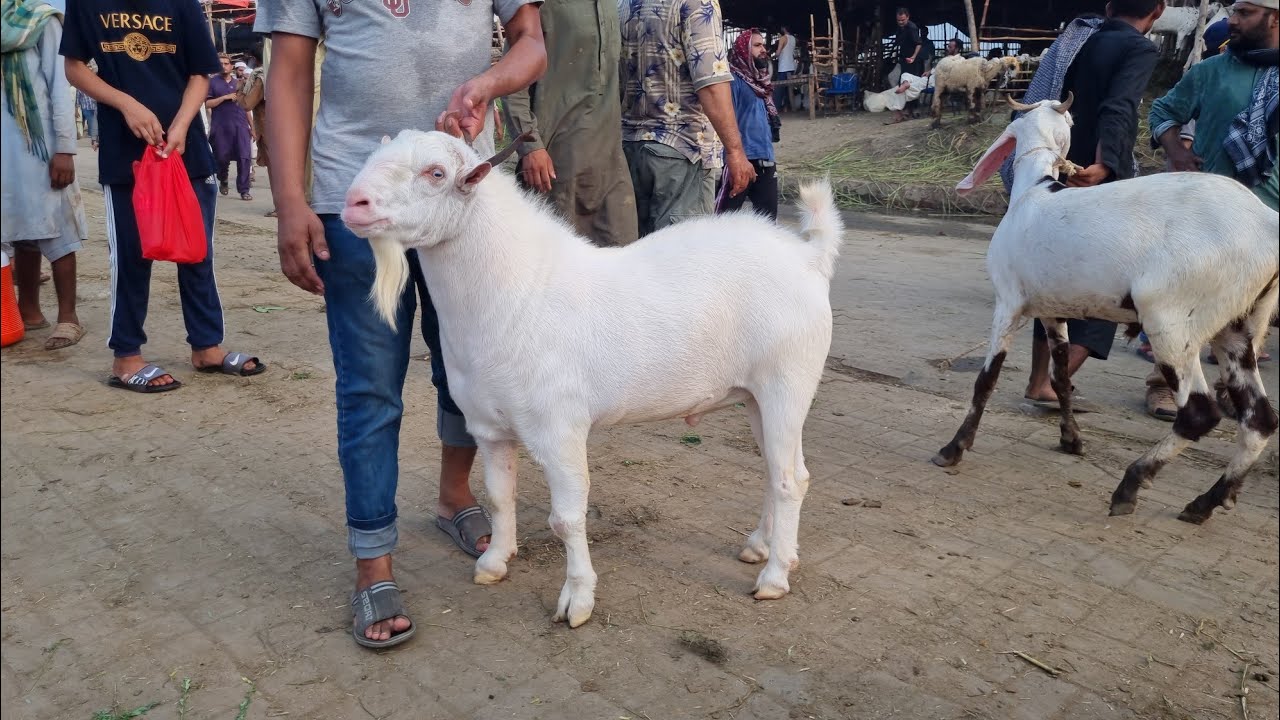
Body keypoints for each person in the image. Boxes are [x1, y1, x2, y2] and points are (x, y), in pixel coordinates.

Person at [255, 0, 546, 649]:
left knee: (467, 372)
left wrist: (488, 83)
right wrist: (290, 200)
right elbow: (290, 70)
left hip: (457, 202)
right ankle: (373, 563)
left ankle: (454, 496)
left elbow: (531, 38)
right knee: (370, 385)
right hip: (359, 201)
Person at [61, 0, 267, 391]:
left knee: (197, 251)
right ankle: (126, 355)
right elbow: (75, 67)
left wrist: (182, 124)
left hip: (186, 148)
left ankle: (206, 346)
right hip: (127, 153)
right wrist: (127, 105)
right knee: (131, 255)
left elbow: (199, 74)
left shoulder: (182, 3)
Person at [1019, 0, 1164, 408]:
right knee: (1111, 285)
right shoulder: (1139, 48)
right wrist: (1106, 165)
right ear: (1158, 10)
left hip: (1057, 168)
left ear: (1110, 6)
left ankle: (1038, 381)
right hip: (1093, 179)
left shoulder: (1079, 39)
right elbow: (1118, 107)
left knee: (1057, 278)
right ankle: (1054, 381)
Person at [1141, 0, 1278, 418]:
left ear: (1275, 18)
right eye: (1233, 11)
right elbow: (1164, 111)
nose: (1231, 21)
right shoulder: (1210, 72)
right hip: (1208, 215)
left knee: (1253, 311)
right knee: (1185, 300)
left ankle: (1231, 387)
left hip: (1270, 211)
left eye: (1245, 13)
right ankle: (1165, 384)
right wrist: (1176, 152)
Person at [506, 0, 637, 246]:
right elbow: (514, 77)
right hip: (556, 164)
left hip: (610, 162)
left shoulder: (612, 5)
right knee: (555, 260)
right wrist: (530, 146)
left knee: (622, 254)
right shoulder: (541, 5)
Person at [620, 0, 755, 237]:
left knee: (643, 251)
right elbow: (710, 82)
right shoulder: (697, 3)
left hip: (631, 148)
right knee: (684, 253)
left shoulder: (624, 4)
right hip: (682, 151)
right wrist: (735, 151)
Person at [2, 0, 87, 351]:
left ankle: (69, 317)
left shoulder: (42, 20)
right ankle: (28, 311)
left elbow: (59, 86)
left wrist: (65, 148)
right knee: (18, 228)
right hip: (4, 151)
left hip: (40, 147)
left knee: (56, 227)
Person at [715, 29, 779, 221]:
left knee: (768, 224)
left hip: (766, 160)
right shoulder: (733, 82)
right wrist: (734, 156)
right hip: (741, 162)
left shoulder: (762, 84)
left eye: (763, 45)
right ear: (743, 49)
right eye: (757, 45)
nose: (763, 50)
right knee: (721, 222)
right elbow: (725, 120)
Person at [206, 53, 253, 201]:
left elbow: (246, 107)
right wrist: (224, 98)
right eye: (220, 63)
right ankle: (223, 178)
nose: (224, 66)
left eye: (226, 63)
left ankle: (244, 190)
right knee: (221, 157)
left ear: (231, 66)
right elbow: (207, 104)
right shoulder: (212, 83)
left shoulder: (239, 83)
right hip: (221, 127)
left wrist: (253, 127)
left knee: (244, 157)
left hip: (240, 126)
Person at [774, 25, 797, 111]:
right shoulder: (793, 39)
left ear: (784, 29)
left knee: (779, 88)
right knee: (788, 88)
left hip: (783, 67)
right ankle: (788, 106)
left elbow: (778, 53)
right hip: (791, 66)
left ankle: (776, 108)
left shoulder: (783, 38)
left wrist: (773, 55)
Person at [895, 7, 923, 77]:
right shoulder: (900, 28)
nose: (900, 22)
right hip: (904, 58)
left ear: (908, 17)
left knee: (910, 79)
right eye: (898, 20)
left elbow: (919, 44)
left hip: (912, 60)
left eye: (902, 20)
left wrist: (913, 57)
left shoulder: (912, 28)